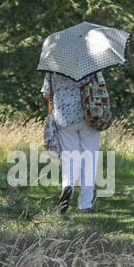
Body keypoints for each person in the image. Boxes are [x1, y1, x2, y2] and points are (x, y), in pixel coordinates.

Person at [41, 71, 102, 212]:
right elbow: (100, 88)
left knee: (70, 158)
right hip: (89, 115)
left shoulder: (53, 65)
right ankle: (85, 204)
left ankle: (68, 186)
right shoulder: (91, 63)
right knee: (90, 158)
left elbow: (46, 94)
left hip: (64, 117)